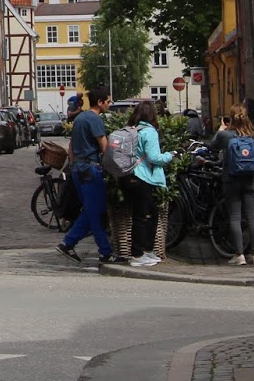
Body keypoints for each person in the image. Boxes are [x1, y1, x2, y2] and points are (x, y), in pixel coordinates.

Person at [56, 86, 115, 265]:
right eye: (108, 101)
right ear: (100, 102)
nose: (109, 104)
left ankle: (74, 244)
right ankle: (76, 244)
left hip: (78, 169)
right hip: (90, 170)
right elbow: (104, 147)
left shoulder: (79, 118)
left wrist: (74, 165)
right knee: (95, 211)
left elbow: (71, 147)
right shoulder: (95, 120)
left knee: (91, 211)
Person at [126, 99, 173, 268]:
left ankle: (145, 251)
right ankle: (138, 255)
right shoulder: (149, 132)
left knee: (145, 214)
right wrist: (170, 155)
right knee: (143, 216)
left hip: (128, 175)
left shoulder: (132, 129)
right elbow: (154, 158)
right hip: (143, 177)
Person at [212, 104, 254, 265]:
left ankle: (239, 254)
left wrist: (221, 129)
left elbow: (213, 145)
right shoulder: (253, 135)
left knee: (235, 217)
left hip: (231, 179)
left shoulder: (226, 135)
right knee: (252, 217)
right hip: (250, 179)